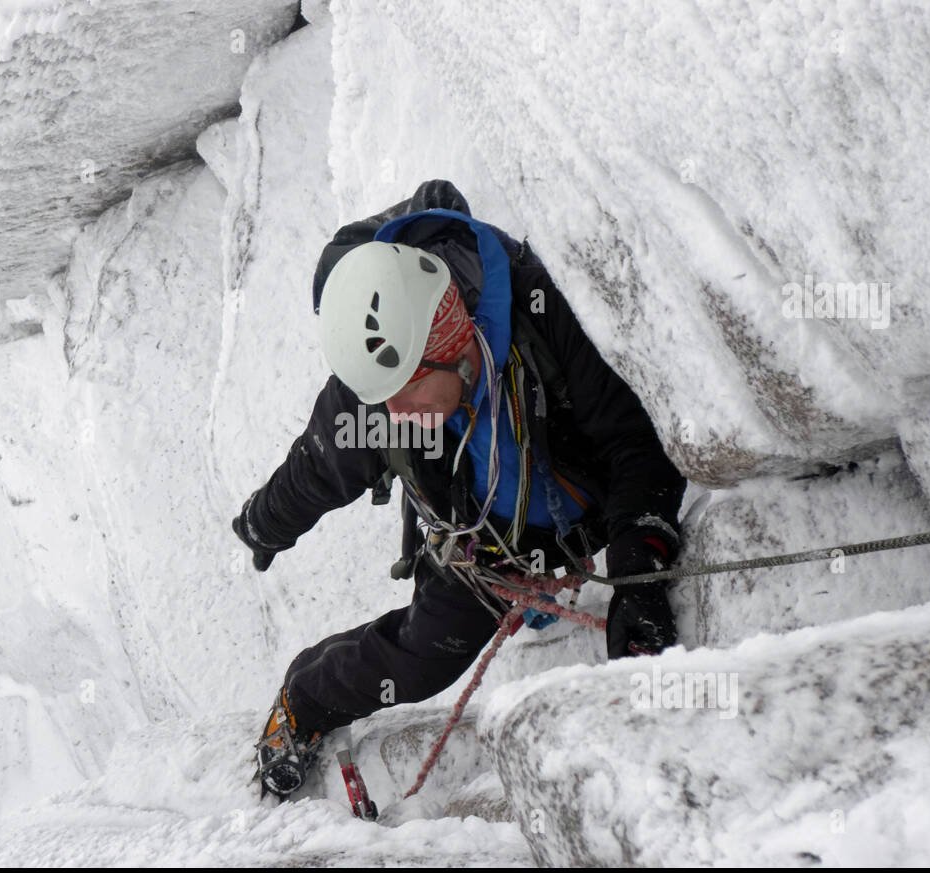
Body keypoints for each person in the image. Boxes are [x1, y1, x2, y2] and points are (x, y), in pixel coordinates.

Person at [233, 180, 686, 796]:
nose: (394, 413)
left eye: (409, 392)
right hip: (481, 543)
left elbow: (632, 443)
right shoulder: (386, 375)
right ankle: (305, 700)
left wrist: (637, 571)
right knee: (426, 656)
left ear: (448, 342)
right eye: (384, 401)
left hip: (585, 512)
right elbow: (321, 463)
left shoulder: (540, 317)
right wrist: (267, 521)